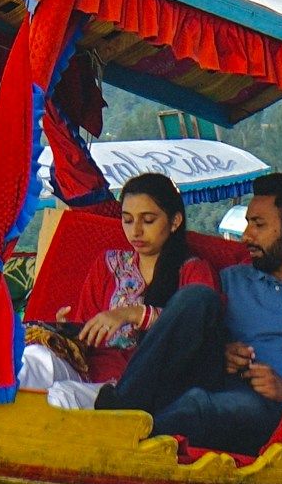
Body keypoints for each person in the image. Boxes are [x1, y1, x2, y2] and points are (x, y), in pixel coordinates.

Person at [96, 173, 282, 457]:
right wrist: (222, 352)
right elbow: (188, 337)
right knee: (197, 296)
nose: (246, 236)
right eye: (247, 224)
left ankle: (117, 437)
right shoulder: (233, 279)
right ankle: (122, 411)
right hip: (212, 381)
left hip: (274, 409)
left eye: (258, 225)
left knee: (203, 407)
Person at [19, 171, 218, 410]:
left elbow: (199, 329)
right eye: (128, 220)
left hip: (136, 387)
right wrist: (69, 329)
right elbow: (87, 330)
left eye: (148, 220)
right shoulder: (109, 264)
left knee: (62, 397)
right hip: (89, 368)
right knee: (33, 360)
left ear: (174, 222)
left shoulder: (193, 271)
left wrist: (131, 313)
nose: (136, 231)